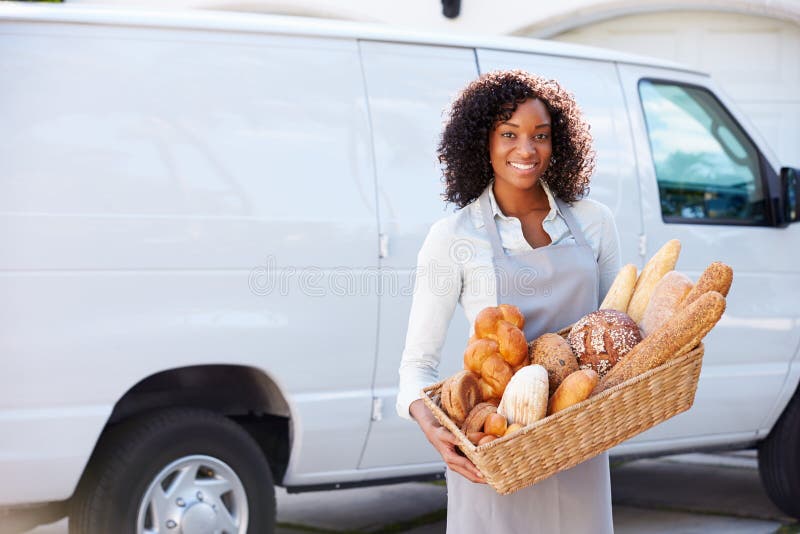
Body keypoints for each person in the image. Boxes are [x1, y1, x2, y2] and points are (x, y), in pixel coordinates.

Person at [396, 70, 620, 532]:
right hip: (497, 451)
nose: (527, 150)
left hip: (578, 440)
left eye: (541, 135)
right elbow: (416, 364)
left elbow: (621, 326)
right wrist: (431, 426)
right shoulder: (453, 237)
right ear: (483, 142)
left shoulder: (594, 222)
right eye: (509, 134)